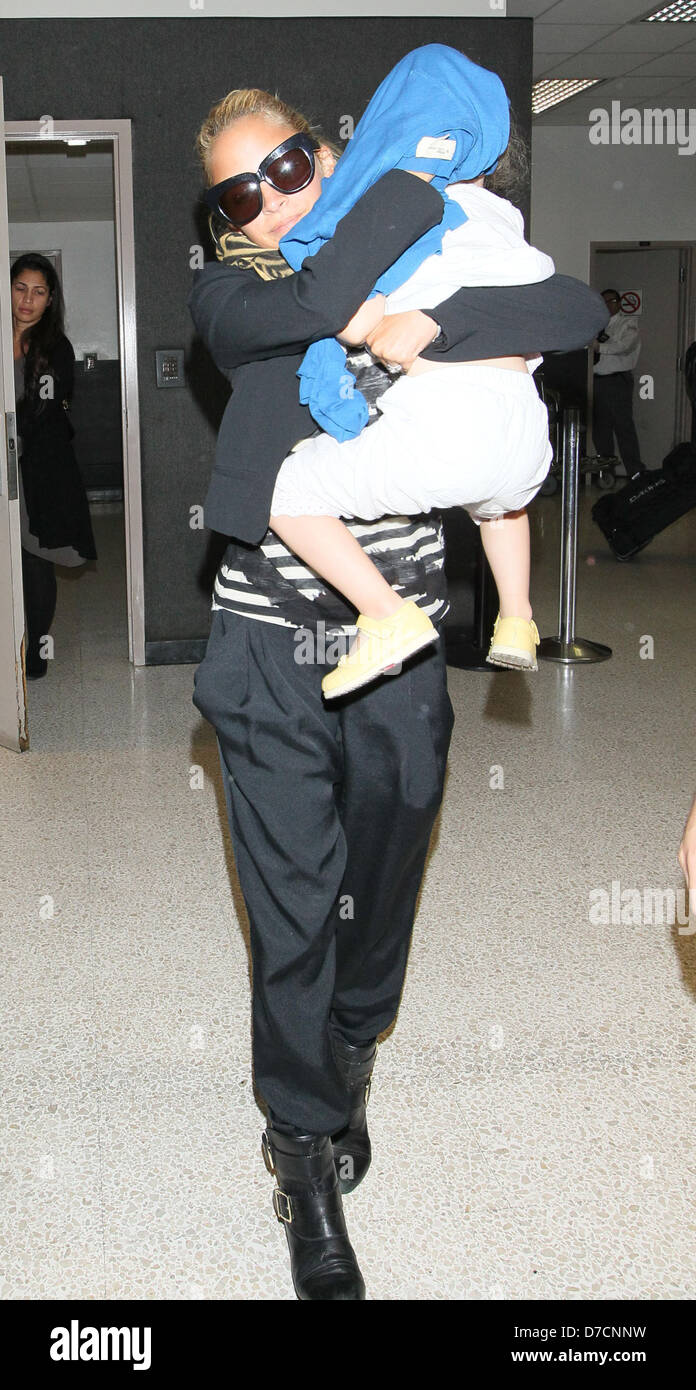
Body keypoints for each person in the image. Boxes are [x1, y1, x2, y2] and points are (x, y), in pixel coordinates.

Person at [189, 83, 609, 1301]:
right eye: (240, 191)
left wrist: (444, 317)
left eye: (291, 161)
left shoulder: (431, 249)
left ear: (328, 144)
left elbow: (574, 308)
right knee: (290, 899)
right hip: (269, 642)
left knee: (390, 858)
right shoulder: (236, 294)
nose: (274, 192)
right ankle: (301, 1146)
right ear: (226, 221)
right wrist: (404, 211)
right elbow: (324, 306)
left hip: (405, 638)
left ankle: (355, 1039)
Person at [255, 46, 554, 697]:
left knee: (285, 495)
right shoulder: (506, 221)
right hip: (527, 431)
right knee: (501, 507)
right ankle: (518, 619)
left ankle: (385, 616)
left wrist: (338, 316)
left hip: (450, 422)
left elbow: (364, 326)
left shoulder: (408, 212)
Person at [12, 253, 96, 679]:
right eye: (20, 288)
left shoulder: (55, 348)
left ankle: (35, 651)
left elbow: (42, 408)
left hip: (36, 464)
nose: (28, 300)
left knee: (33, 556)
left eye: (38, 291)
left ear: (50, 300)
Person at [592, 287, 646, 483]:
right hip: (596, 381)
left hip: (617, 381)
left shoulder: (627, 323)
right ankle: (606, 473)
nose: (607, 306)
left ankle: (635, 472)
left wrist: (599, 347)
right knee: (601, 429)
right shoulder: (596, 326)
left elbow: (624, 347)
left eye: (611, 301)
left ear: (618, 303)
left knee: (623, 427)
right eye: (603, 302)